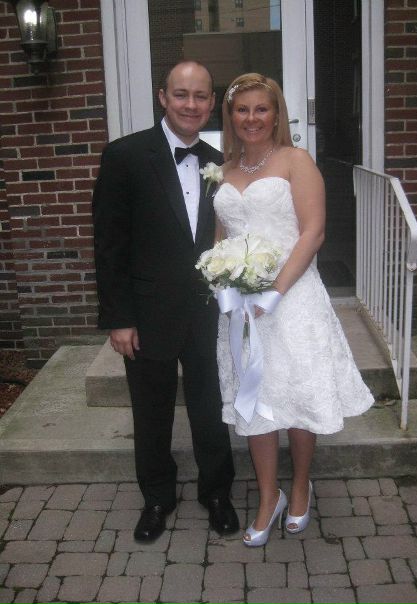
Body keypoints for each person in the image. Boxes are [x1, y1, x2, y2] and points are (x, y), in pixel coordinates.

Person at [215, 73, 374, 547]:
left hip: (293, 299)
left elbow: (313, 232)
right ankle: (270, 496)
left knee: (299, 396)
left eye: (261, 109)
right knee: (256, 399)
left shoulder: (296, 161)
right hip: (242, 307)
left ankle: (301, 484)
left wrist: (275, 291)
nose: (251, 118)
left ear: (276, 114)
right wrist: (222, 282)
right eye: (242, 109)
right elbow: (221, 239)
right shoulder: (223, 170)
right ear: (231, 116)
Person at [92, 61, 238, 542]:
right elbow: (110, 244)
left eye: (200, 96)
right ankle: (157, 496)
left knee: (210, 407)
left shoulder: (221, 162)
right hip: (147, 313)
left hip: (207, 312)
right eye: (181, 94)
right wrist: (119, 318)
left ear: (211, 102)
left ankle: (216, 492)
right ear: (162, 97)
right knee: (151, 411)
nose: (190, 105)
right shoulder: (125, 156)